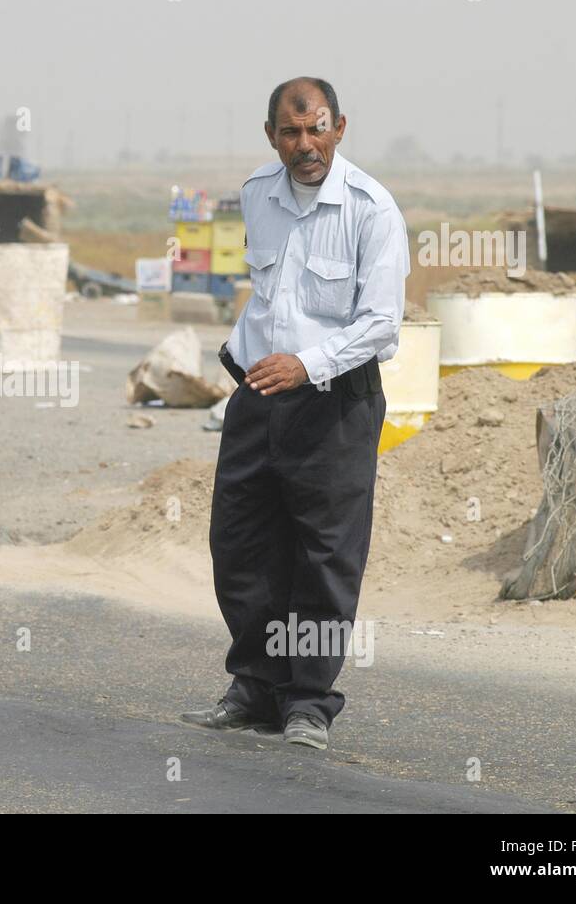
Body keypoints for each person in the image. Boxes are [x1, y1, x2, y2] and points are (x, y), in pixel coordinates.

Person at [182, 77, 409, 750]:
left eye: (315, 129)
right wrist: (251, 362)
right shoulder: (258, 194)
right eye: (289, 131)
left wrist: (307, 364)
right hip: (260, 395)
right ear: (271, 135)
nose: (304, 144)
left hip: (335, 400)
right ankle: (255, 685)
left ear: (340, 128)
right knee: (243, 543)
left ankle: (308, 700)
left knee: (324, 556)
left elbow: (383, 324)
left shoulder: (371, 209)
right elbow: (271, 296)